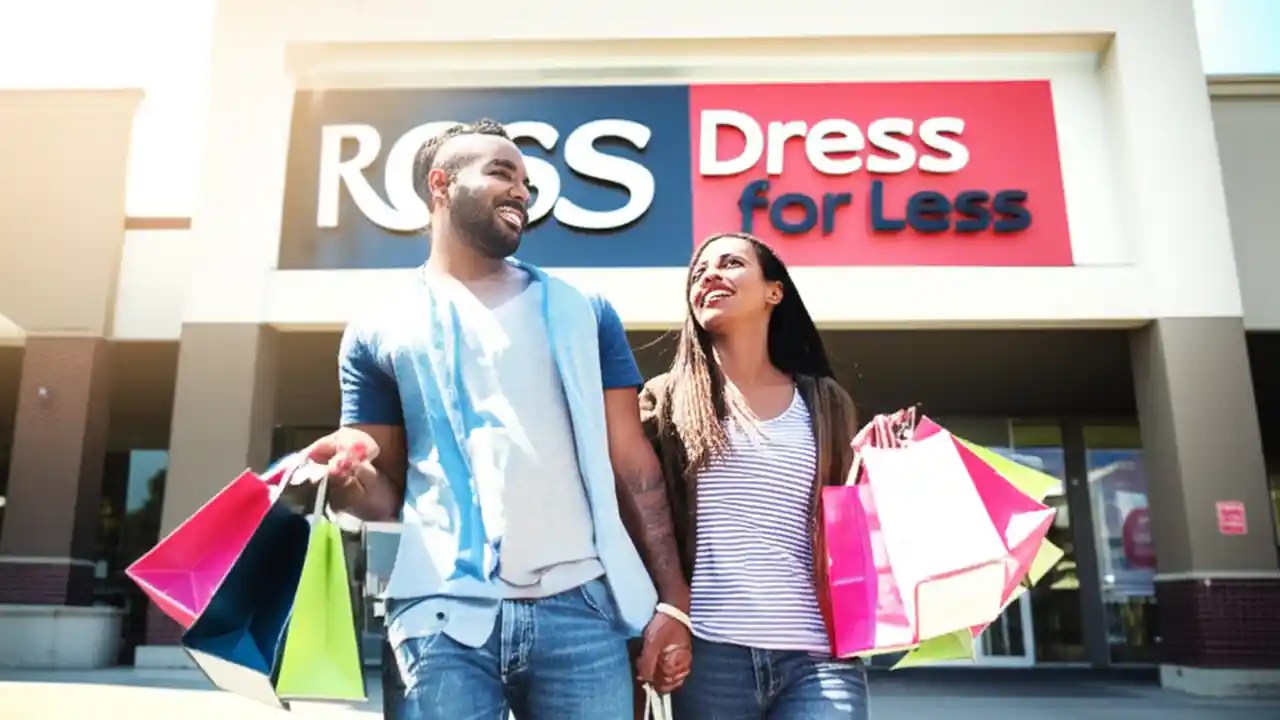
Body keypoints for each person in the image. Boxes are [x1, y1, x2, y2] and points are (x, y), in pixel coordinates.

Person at [299, 119, 692, 719]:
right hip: (439, 614)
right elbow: (382, 497)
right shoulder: (379, 325)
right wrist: (339, 476)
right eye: (502, 173)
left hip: (583, 612)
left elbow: (633, 466)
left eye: (528, 183)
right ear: (441, 184)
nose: (523, 193)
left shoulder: (583, 311)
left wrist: (672, 601)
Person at [638, 232, 871, 719]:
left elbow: (852, 523)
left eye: (730, 263)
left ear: (774, 291)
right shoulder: (665, 400)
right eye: (699, 273)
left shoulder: (826, 403)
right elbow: (639, 518)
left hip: (818, 656)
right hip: (708, 658)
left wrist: (886, 462)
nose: (709, 277)